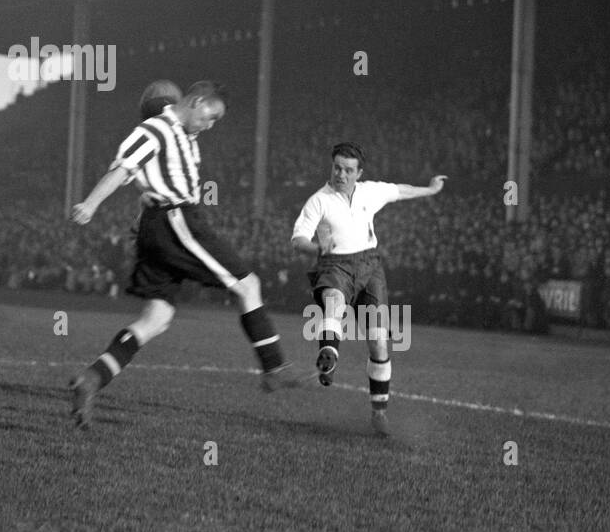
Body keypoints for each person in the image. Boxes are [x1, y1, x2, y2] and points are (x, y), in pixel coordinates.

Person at [67, 81, 300, 431]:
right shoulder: (156, 130)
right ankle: (274, 369)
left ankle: (92, 379)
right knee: (248, 285)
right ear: (196, 101)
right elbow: (123, 169)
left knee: (156, 318)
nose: (211, 124)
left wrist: (141, 219)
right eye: (211, 116)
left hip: (157, 224)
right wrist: (91, 203)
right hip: (176, 219)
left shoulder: (184, 139)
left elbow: (147, 185)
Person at [290, 142, 446, 436]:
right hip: (335, 265)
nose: (341, 174)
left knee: (378, 343)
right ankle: (329, 355)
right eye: (337, 167)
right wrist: (317, 247)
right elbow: (297, 239)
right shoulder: (318, 201)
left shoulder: (370, 191)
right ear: (331, 167)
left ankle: (379, 413)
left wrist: (431, 189)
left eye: (348, 170)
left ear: (358, 173)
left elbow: (400, 190)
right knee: (334, 301)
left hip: (370, 267)